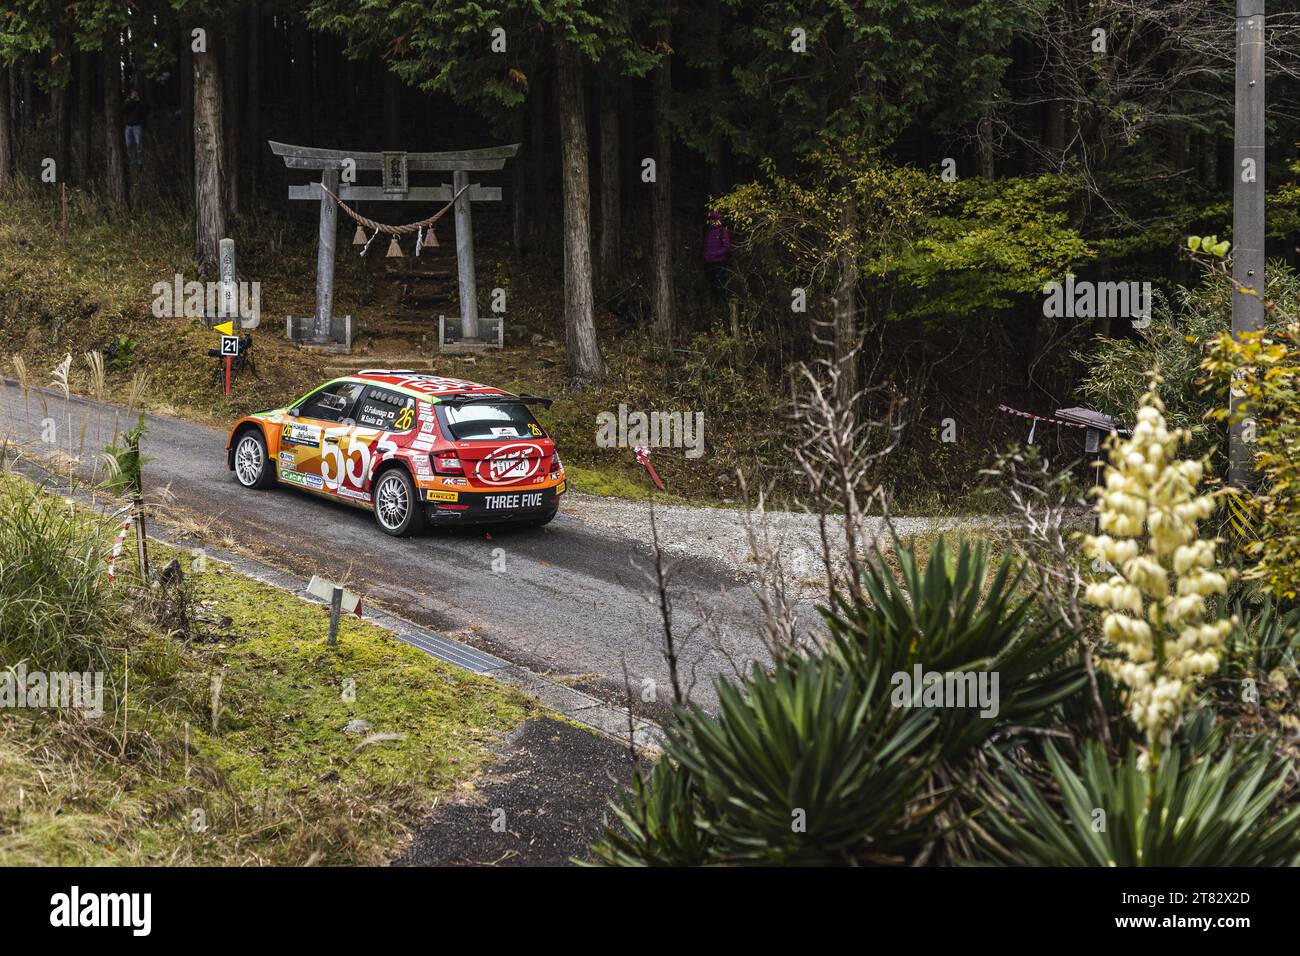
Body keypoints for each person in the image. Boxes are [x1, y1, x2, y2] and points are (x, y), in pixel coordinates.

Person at [703, 210, 732, 305]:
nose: (711, 221)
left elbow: (727, 246)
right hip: (709, 262)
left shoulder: (722, 231)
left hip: (719, 262)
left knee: (719, 285)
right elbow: (706, 246)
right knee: (711, 285)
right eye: (710, 219)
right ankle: (713, 306)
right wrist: (706, 255)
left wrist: (716, 254)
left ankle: (721, 306)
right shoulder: (709, 231)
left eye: (713, 219)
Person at [123, 89, 147, 167]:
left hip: (137, 126)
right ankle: (133, 161)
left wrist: (139, 102)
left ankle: (140, 162)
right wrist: (127, 102)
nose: (134, 95)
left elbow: (144, 111)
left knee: (139, 144)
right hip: (128, 127)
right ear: (131, 95)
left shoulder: (140, 103)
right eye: (133, 94)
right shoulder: (128, 102)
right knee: (129, 145)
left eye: (136, 94)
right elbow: (123, 110)